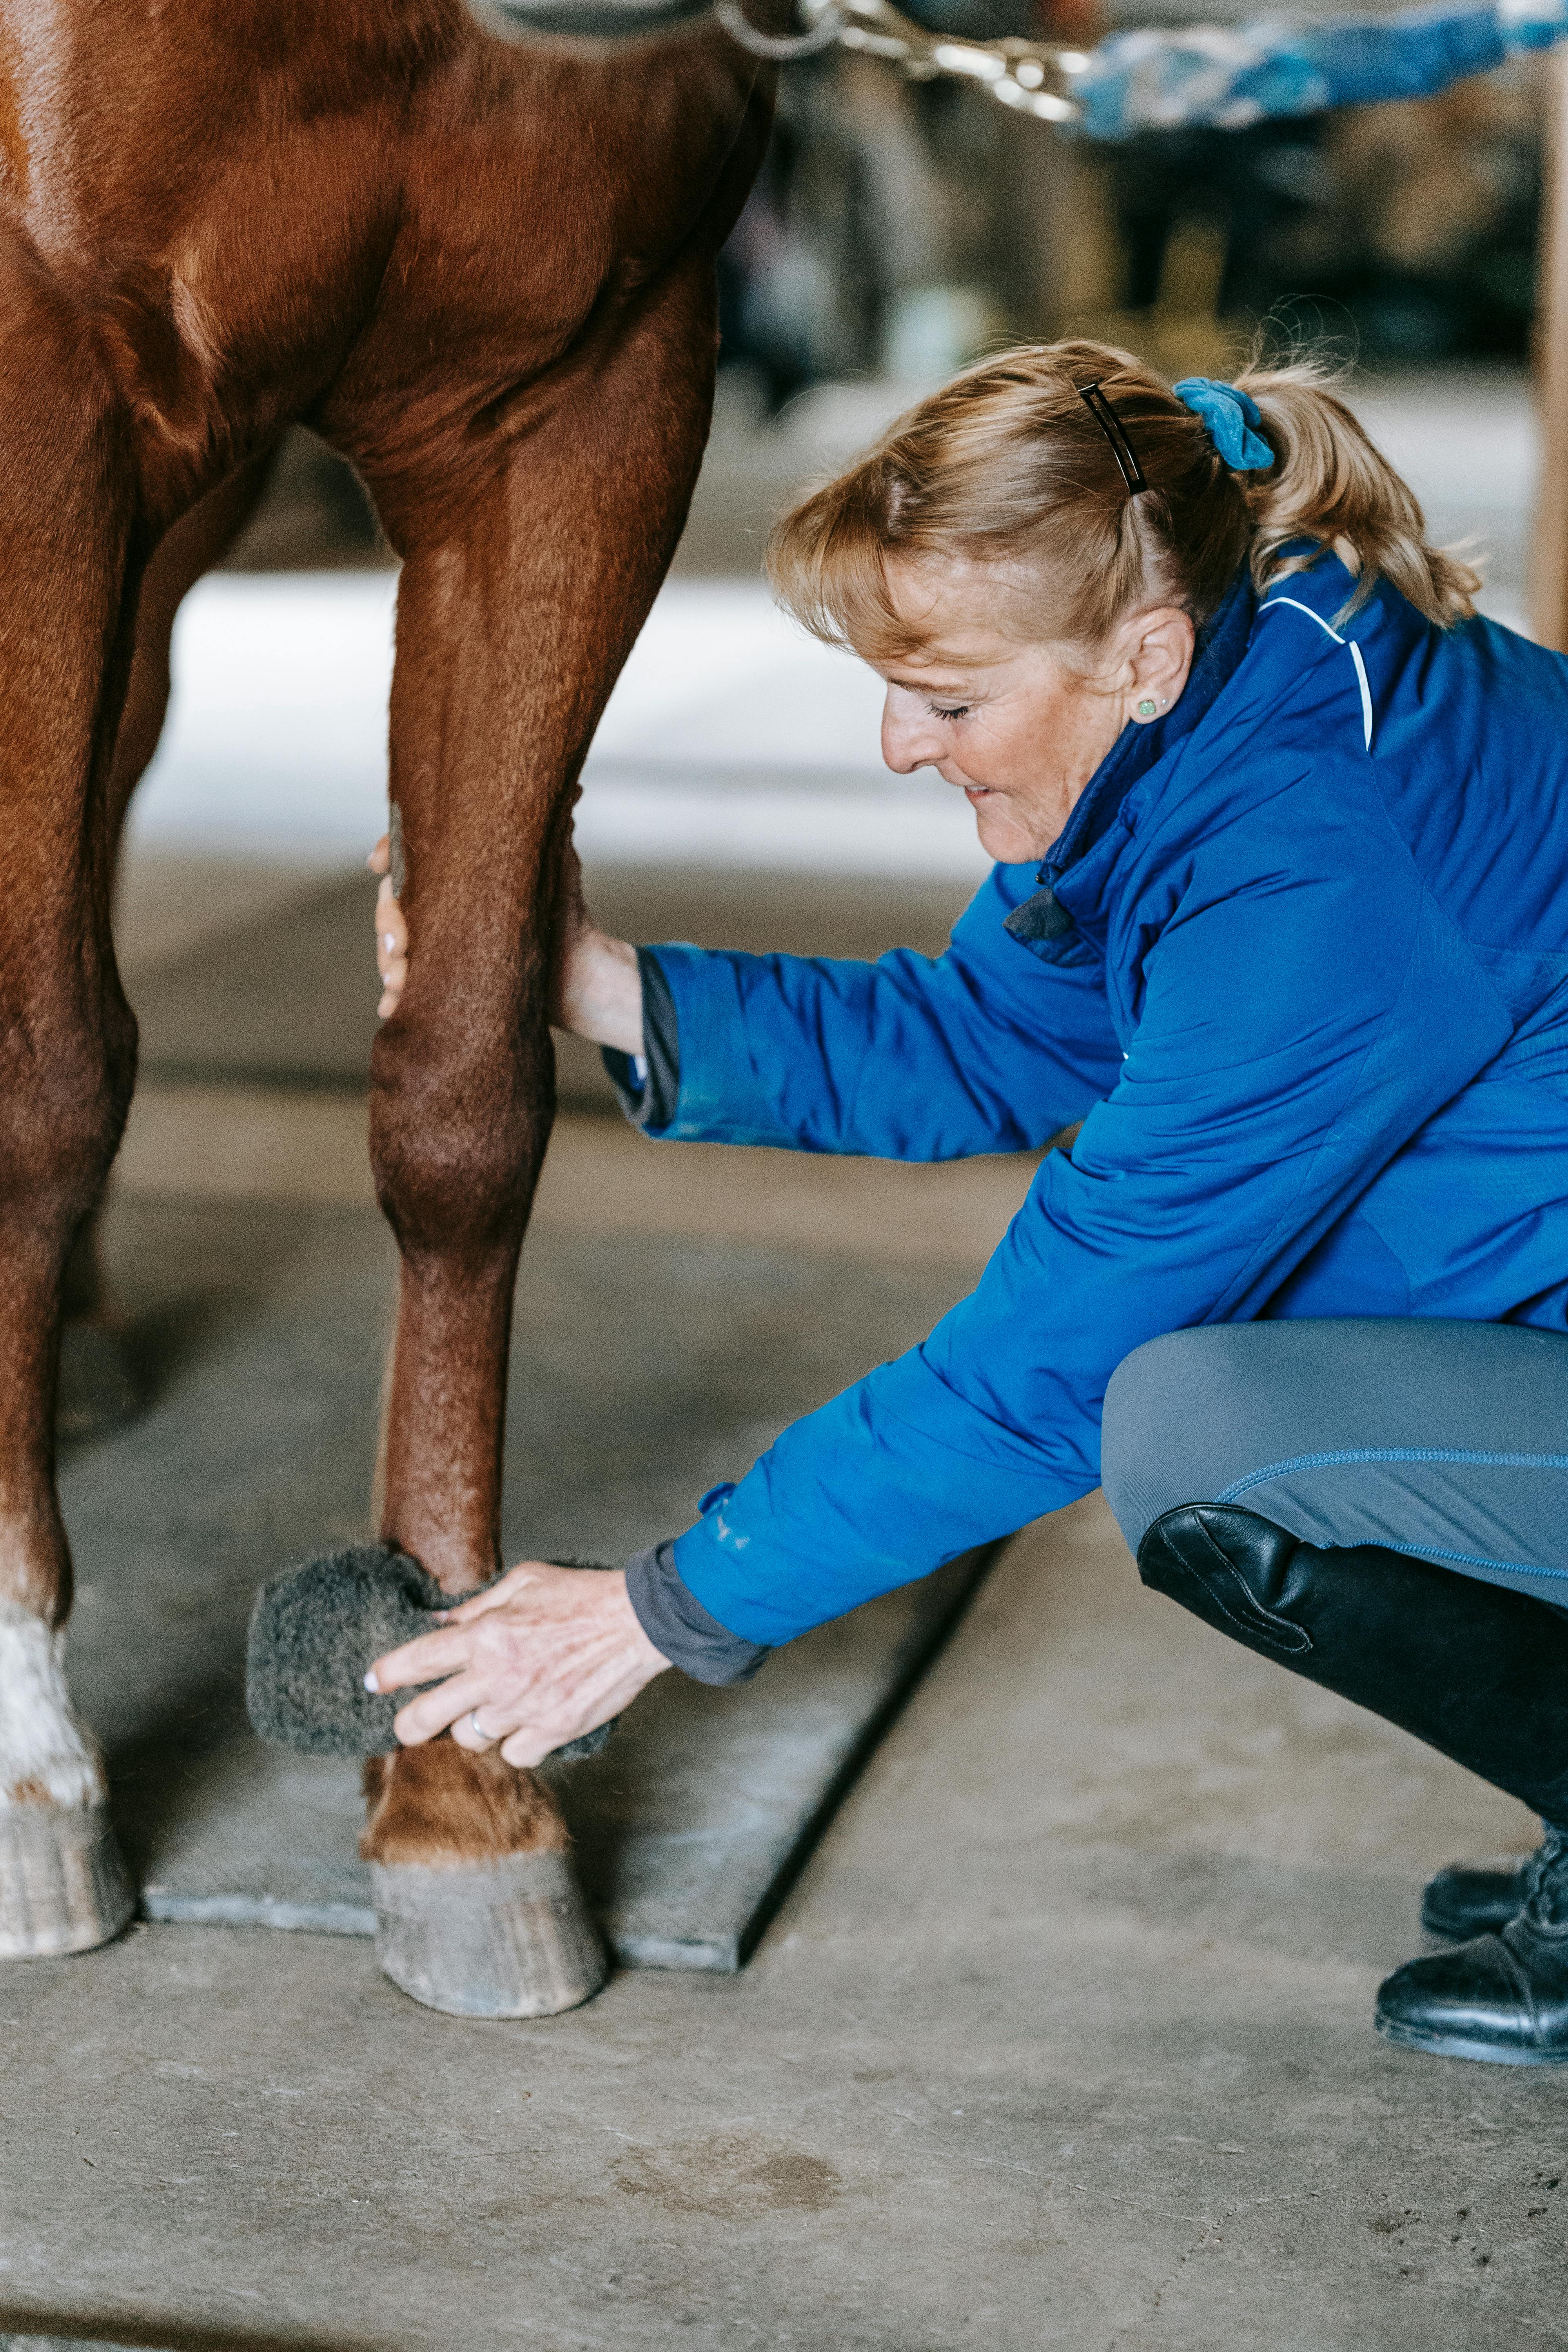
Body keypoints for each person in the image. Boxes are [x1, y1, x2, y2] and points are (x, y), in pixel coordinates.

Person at [365, 338, 1568, 2066]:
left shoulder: (1311, 856)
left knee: (1194, 1423)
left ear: (1137, 655)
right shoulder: (1222, 698)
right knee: (1234, 1355)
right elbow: (993, 1036)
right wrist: (605, 986)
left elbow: (1051, 1359)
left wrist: (657, 1608)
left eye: (944, 701)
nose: (894, 747)